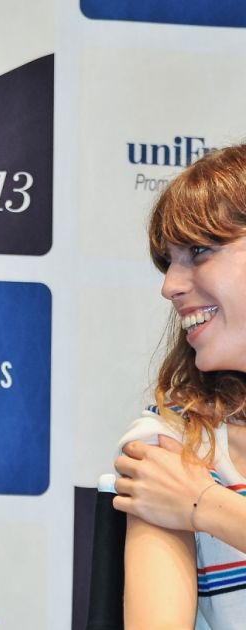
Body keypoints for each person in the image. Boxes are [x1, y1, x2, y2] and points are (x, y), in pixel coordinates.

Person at [113, 144, 246, 627]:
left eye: (199, 251)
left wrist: (205, 505)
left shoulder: (186, 485)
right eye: (168, 261)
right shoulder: (171, 448)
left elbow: (198, 501)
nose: (170, 285)